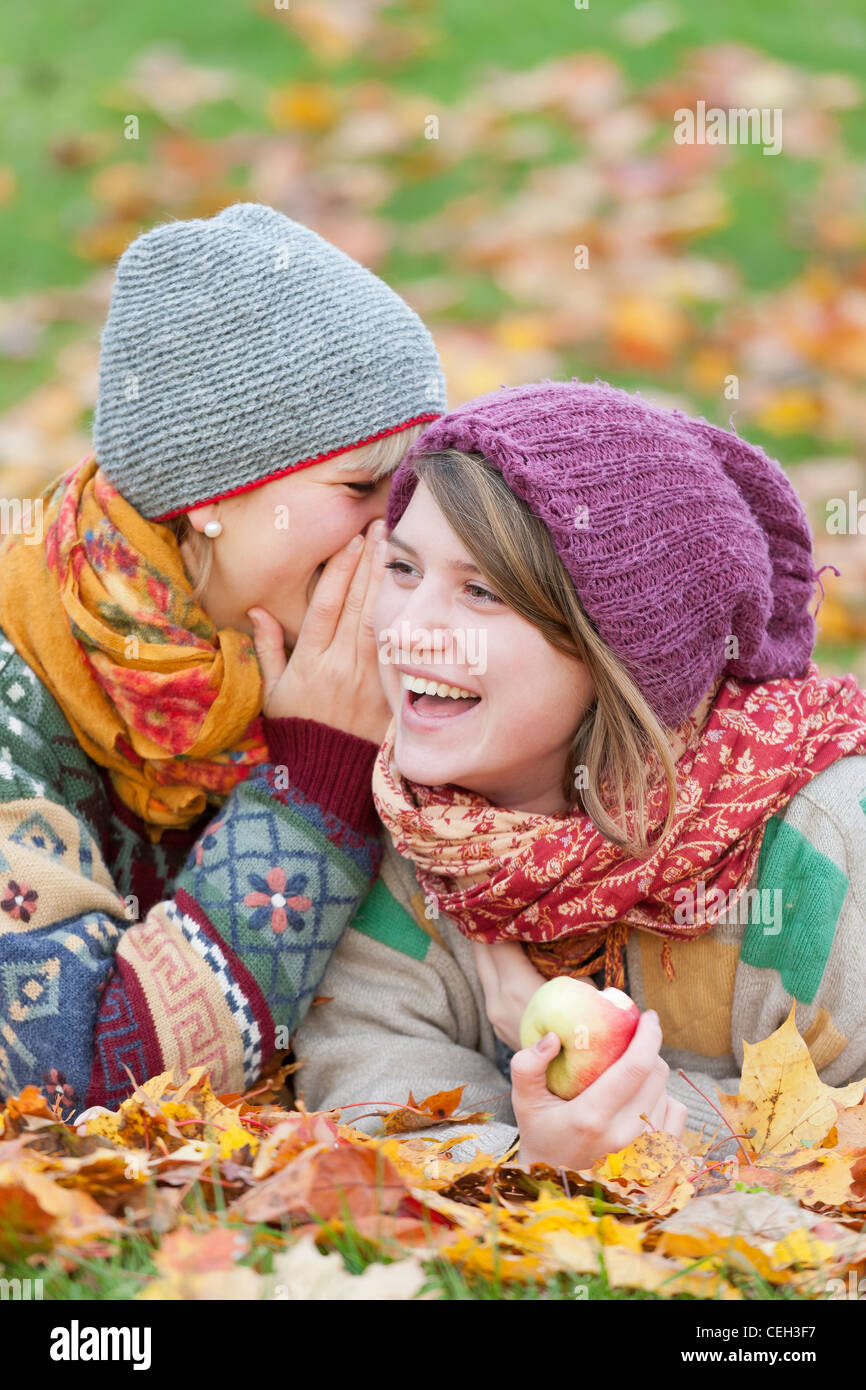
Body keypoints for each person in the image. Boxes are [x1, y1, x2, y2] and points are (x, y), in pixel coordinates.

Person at [289, 379, 866, 1169]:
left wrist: (623, 1124)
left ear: (615, 654)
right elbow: (365, 1058)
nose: (409, 629)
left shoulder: (817, 857)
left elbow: (843, 1144)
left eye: (482, 591)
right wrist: (527, 1157)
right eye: (402, 569)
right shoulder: (417, 833)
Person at [0, 201, 446, 1111]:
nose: (397, 532)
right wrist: (316, 790)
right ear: (207, 497)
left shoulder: (401, 650)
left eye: (416, 486)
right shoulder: (25, 687)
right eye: (361, 485)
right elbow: (64, 1086)